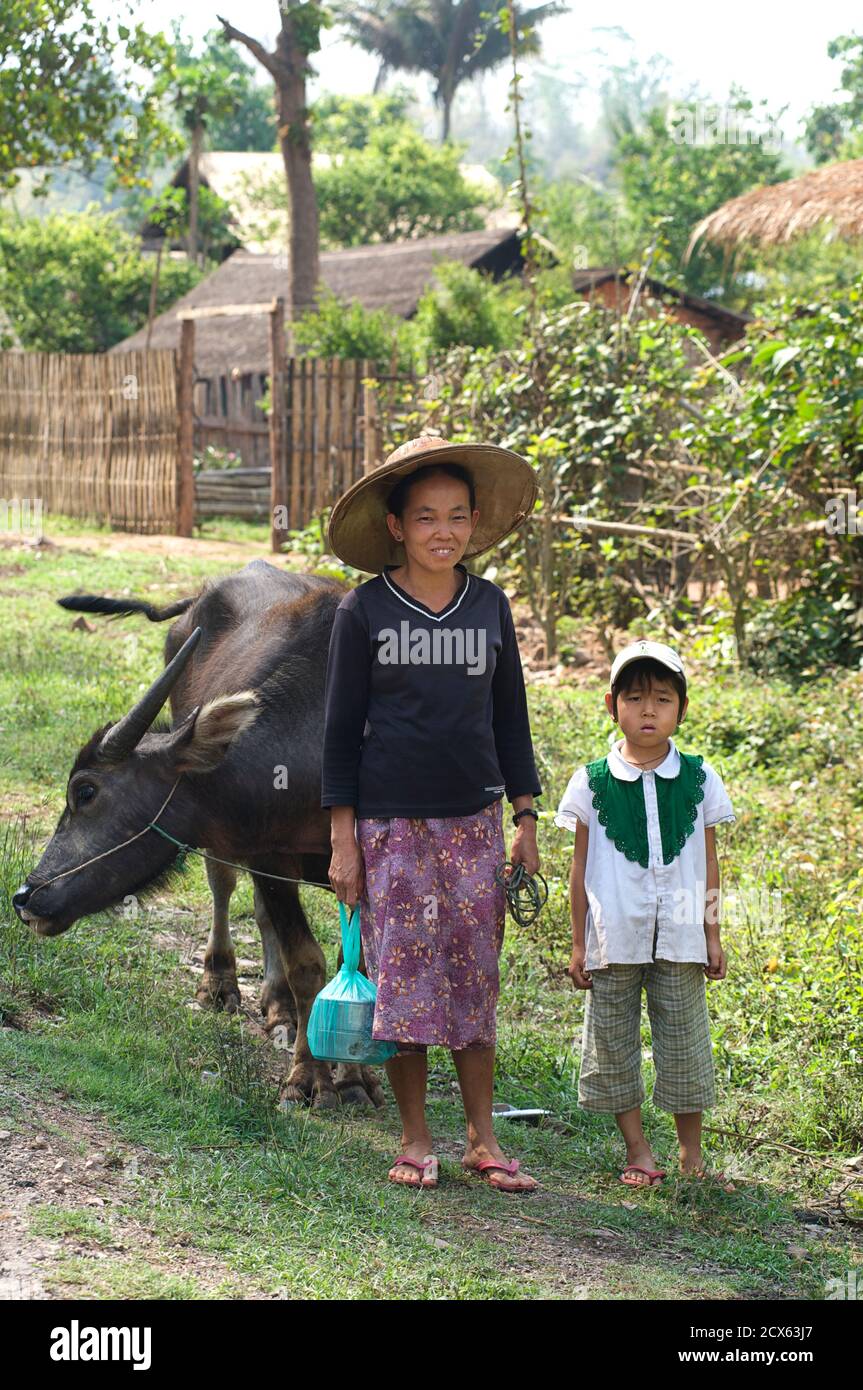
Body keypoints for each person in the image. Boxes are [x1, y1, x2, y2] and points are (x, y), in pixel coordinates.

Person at [322, 433, 542, 1193]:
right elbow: (338, 733)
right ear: (396, 527)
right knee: (405, 988)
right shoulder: (364, 612)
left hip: (474, 825)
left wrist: (524, 815)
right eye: (424, 518)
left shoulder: (490, 608)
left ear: (474, 522)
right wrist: (342, 839)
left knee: (472, 983)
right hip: (391, 827)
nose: (440, 531)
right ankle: (416, 1140)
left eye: (454, 516)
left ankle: (483, 1139)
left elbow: (509, 718)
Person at [554, 640, 736, 1189]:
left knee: (683, 1043)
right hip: (614, 938)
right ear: (613, 706)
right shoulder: (591, 780)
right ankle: (637, 1149)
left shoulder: (701, 778)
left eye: (662, 698)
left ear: (682, 708)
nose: (648, 710)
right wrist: (578, 943)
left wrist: (713, 933)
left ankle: (690, 1152)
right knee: (611, 1044)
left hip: (681, 937)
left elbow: (709, 863)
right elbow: (580, 867)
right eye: (635, 698)